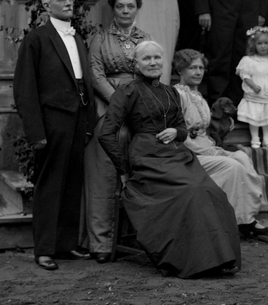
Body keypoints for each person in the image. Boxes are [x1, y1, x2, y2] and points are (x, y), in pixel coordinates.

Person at [99, 41, 241, 277]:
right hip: (147, 159)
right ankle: (195, 260)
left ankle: (219, 257)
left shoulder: (171, 91)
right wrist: (123, 170)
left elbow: (182, 128)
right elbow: (106, 133)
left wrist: (177, 132)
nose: (153, 62)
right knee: (191, 190)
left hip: (176, 155)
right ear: (136, 63)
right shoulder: (127, 91)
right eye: (146, 59)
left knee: (211, 191)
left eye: (157, 57)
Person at [12, 0, 92, 269]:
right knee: (49, 185)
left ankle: (66, 245)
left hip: (78, 117)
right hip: (52, 121)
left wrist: (88, 120)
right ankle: (44, 249)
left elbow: (85, 81)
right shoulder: (37, 39)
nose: (69, 2)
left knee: (72, 183)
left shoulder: (77, 37)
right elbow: (25, 89)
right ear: (47, 6)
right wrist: (36, 132)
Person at [82, 0, 151, 262]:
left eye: (130, 6)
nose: (125, 11)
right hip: (107, 107)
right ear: (113, 8)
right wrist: (119, 105)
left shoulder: (146, 39)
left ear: (137, 8)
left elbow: (151, 71)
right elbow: (96, 75)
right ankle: (100, 244)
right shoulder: (99, 37)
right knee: (103, 171)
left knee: (141, 167)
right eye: (120, 6)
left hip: (139, 107)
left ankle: (138, 238)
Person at [172, 48, 268, 237]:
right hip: (189, 153)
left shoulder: (198, 96)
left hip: (206, 147)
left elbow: (205, 127)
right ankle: (233, 220)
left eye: (201, 68)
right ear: (180, 70)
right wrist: (210, 150)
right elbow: (179, 133)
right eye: (192, 68)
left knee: (242, 156)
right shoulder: (178, 96)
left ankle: (246, 217)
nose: (198, 72)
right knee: (232, 165)